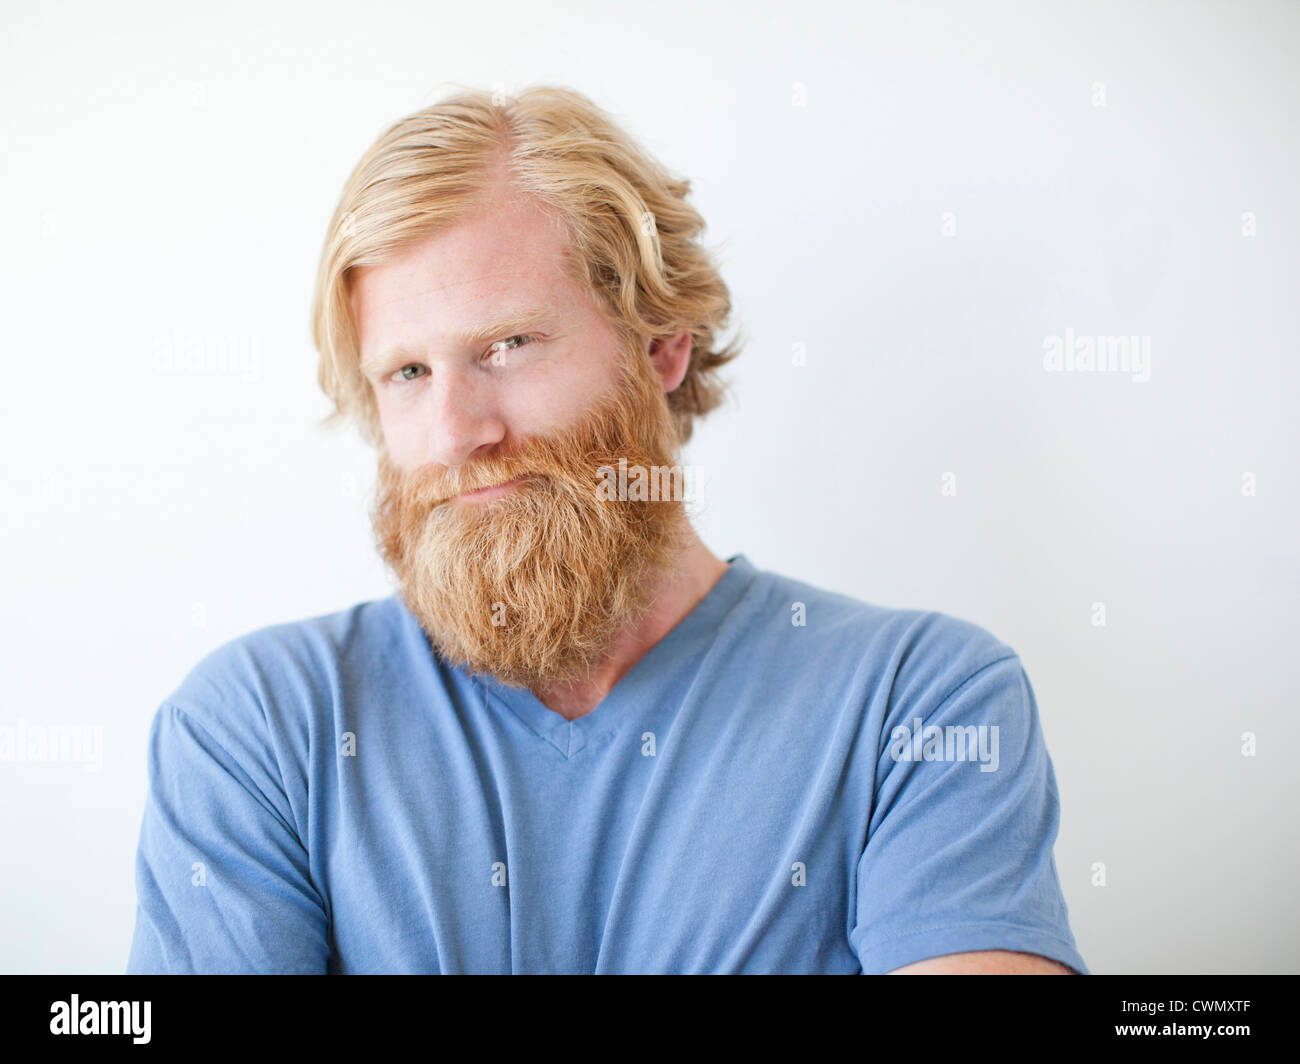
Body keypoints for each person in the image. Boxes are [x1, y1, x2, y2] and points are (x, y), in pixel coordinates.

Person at [127, 84, 1087, 975]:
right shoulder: (257, 732)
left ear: (661, 344)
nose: (459, 434)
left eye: (508, 345)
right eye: (408, 374)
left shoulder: (919, 708)